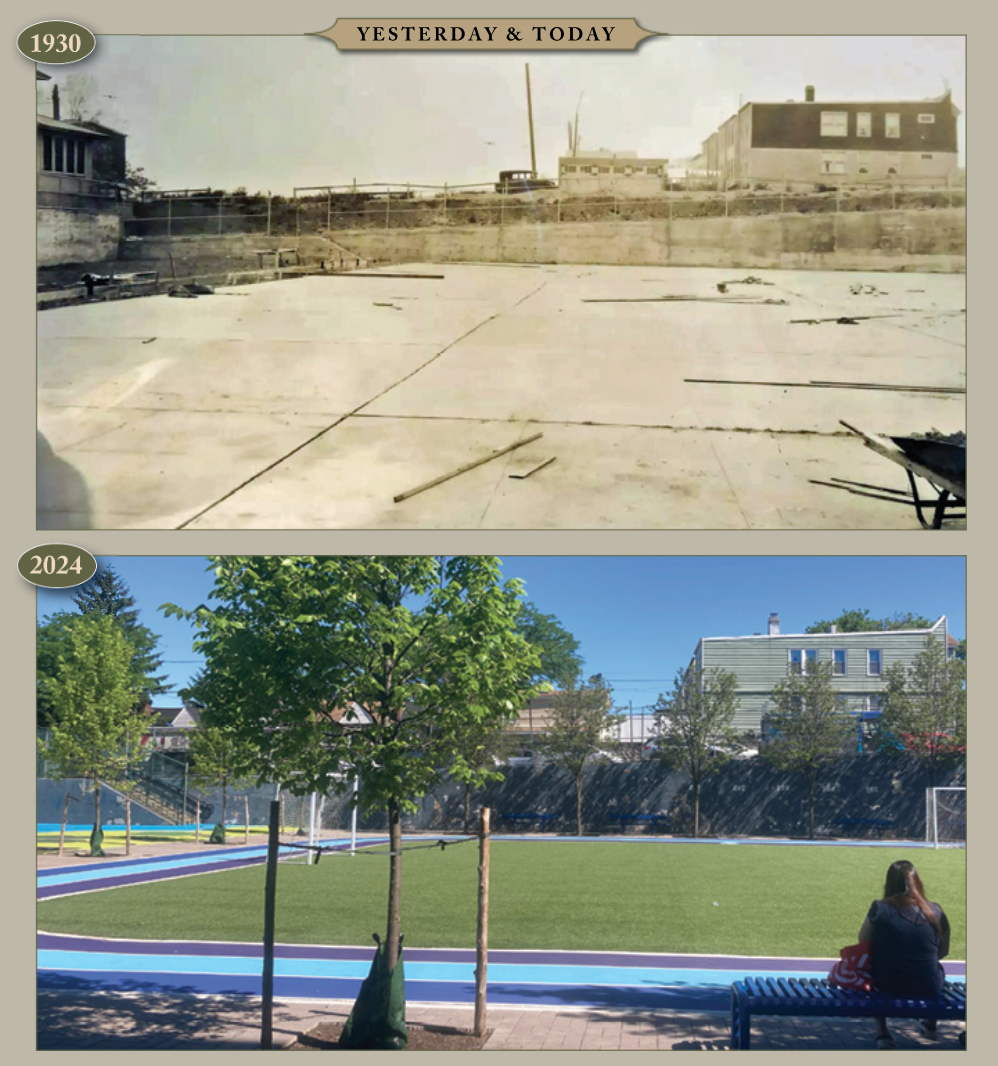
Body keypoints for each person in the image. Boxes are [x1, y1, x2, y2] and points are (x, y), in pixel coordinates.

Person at [857, 859, 951, 1050]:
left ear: (889, 883)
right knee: (935, 969)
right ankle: (930, 1024)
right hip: (928, 984)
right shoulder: (935, 911)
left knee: (872, 974)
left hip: (887, 983)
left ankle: (883, 1033)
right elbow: (943, 951)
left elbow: (863, 942)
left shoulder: (880, 908)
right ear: (918, 882)